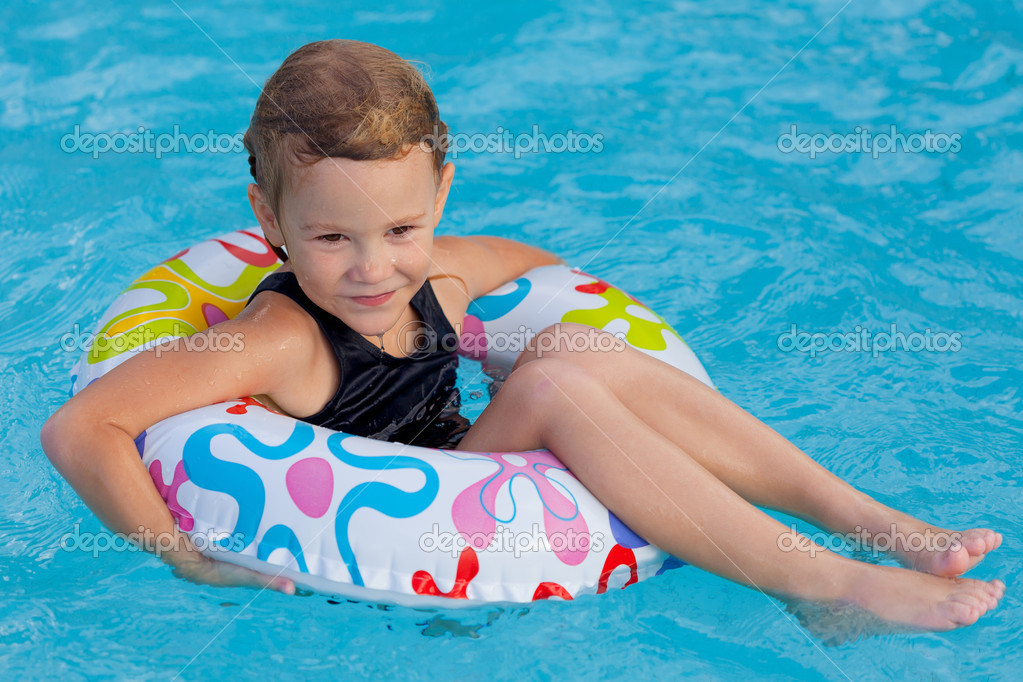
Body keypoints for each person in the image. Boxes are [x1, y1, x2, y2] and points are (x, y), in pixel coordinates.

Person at [41, 39, 1003, 634]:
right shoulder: (275, 341)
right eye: (331, 237)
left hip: (470, 474)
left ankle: (874, 523)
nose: (374, 269)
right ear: (270, 219)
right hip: (379, 566)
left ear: (438, 201)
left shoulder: (442, 275)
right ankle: (825, 586)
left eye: (402, 231)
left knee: (573, 354)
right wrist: (176, 551)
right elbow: (80, 429)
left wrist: (552, 327)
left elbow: (543, 276)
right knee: (553, 385)